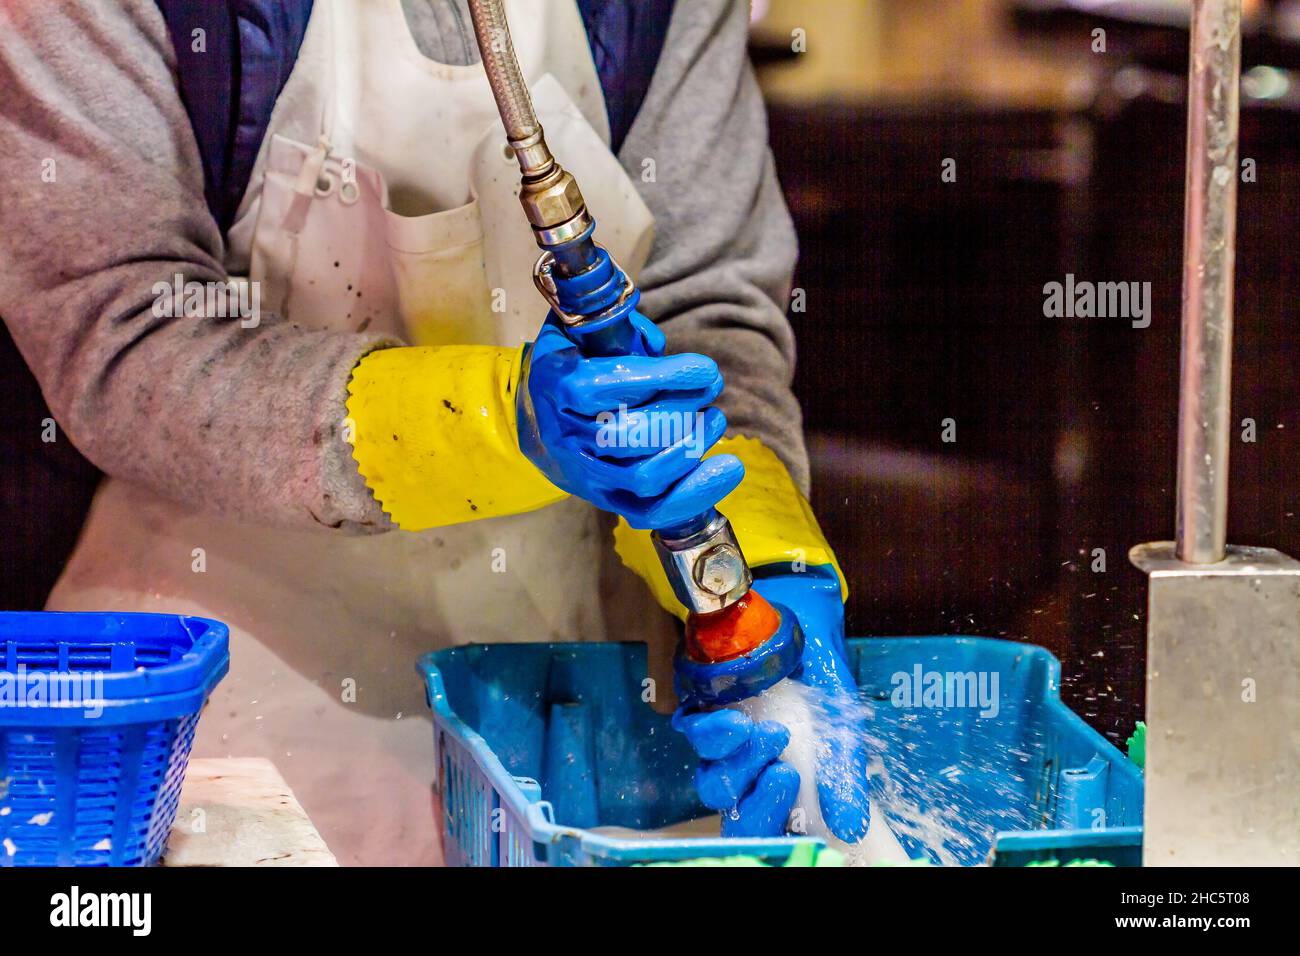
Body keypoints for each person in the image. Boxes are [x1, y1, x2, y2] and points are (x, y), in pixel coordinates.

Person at [0, 0, 866, 865]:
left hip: (580, 716)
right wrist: (500, 421)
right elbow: (124, 330)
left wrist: (755, 563)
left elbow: (705, 307)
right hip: (235, 693)